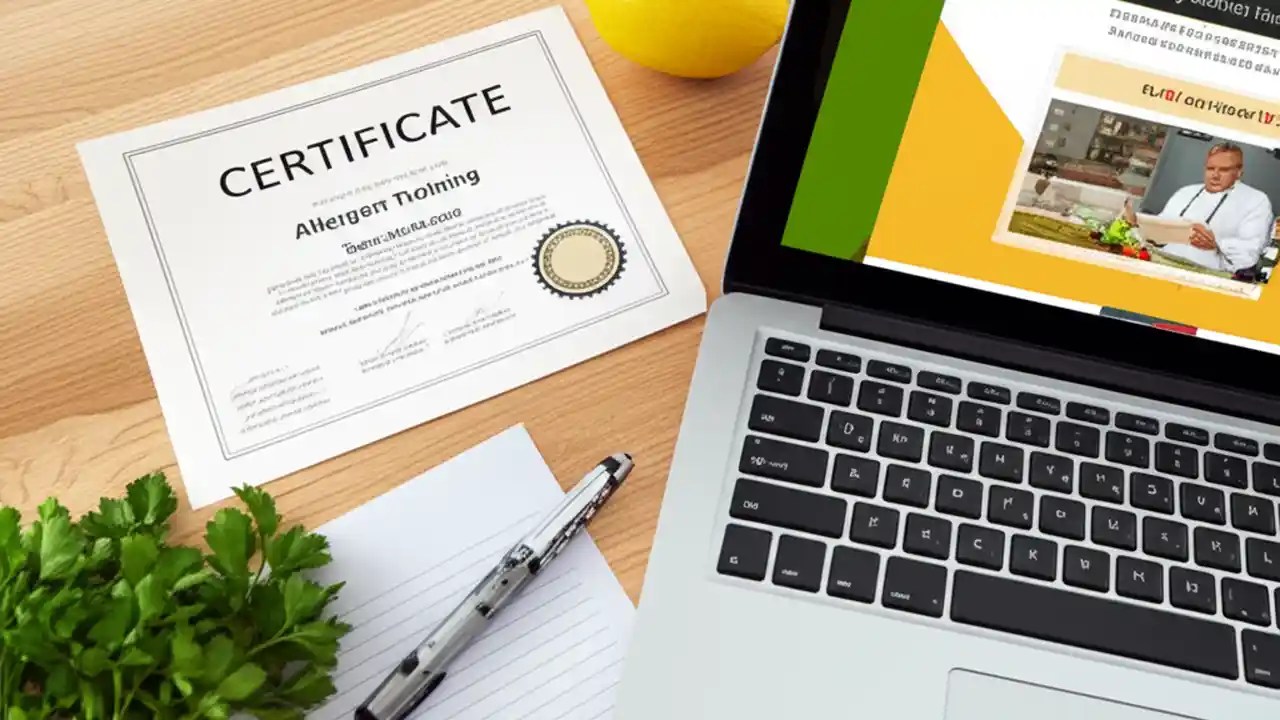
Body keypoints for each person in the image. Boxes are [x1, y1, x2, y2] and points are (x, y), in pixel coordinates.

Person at [1124, 142, 1274, 273]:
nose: (1215, 175)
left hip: (1210, 276)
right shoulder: (1186, 192)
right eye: (1210, 168)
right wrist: (1137, 222)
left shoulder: (1256, 200)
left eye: (1224, 170)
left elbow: (1251, 251)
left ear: (1239, 172)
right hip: (1161, 264)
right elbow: (1160, 227)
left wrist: (1216, 243)